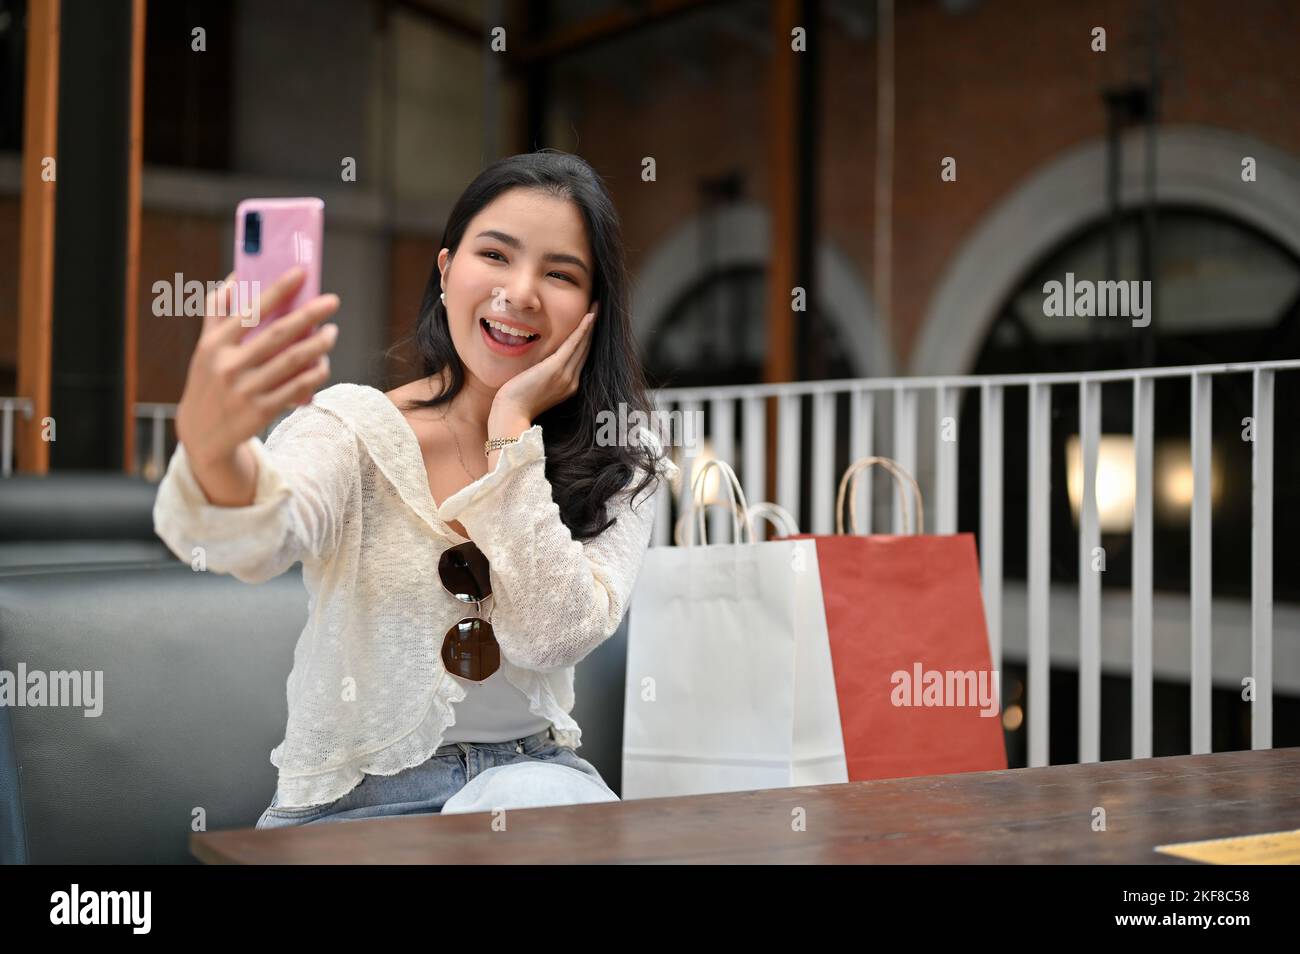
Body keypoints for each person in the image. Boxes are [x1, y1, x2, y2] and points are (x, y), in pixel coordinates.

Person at [152, 150, 678, 828]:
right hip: (357, 810)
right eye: (495, 255)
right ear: (446, 267)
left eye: (559, 273)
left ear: (592, 309)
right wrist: (212, 444)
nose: (520, 291)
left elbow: (557, 634)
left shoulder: (621, 454)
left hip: (535, 788)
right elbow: (260, 535)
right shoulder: (354, 427)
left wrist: (511, 433)